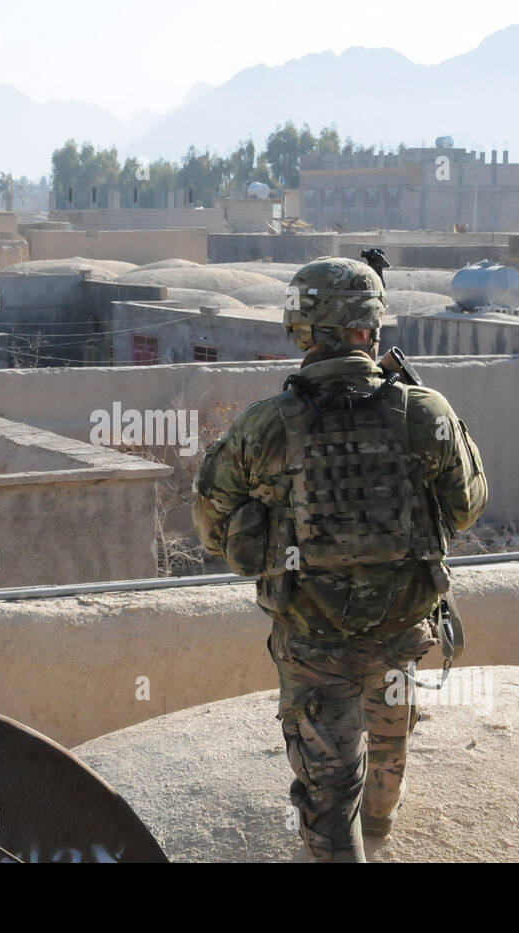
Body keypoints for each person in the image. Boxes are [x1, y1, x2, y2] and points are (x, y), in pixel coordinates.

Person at [192, 256, 488, 862]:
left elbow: (211, 527)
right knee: (388, 746)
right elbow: (466, 507)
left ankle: (352, 844)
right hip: (401, 628)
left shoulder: (264, 425)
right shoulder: (423, 410)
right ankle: (378, 833)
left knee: (328, 792)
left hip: (313, 640)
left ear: (300, 330)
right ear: (372, 327)